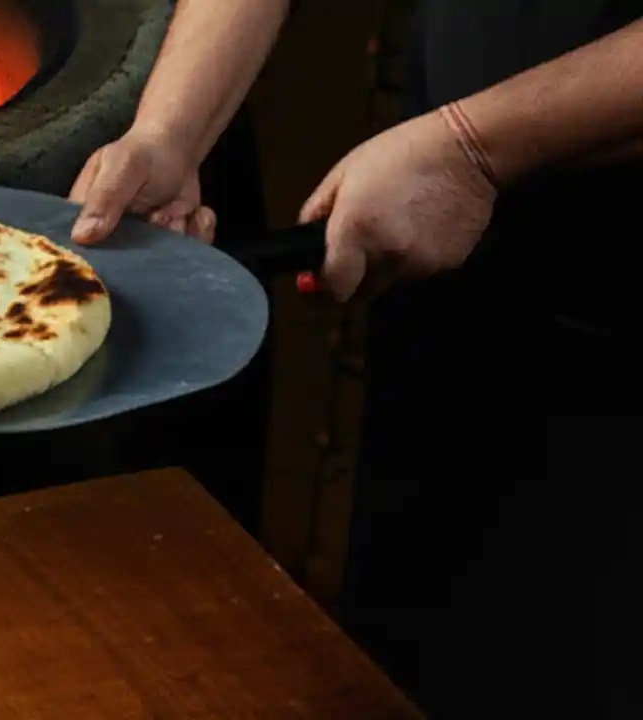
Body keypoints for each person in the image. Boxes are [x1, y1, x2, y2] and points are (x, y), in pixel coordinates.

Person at [68, 1, 643, 717]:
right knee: (418, 648)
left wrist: (474, 146)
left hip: (611, 303)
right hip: (453, 217)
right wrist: (169, 131)